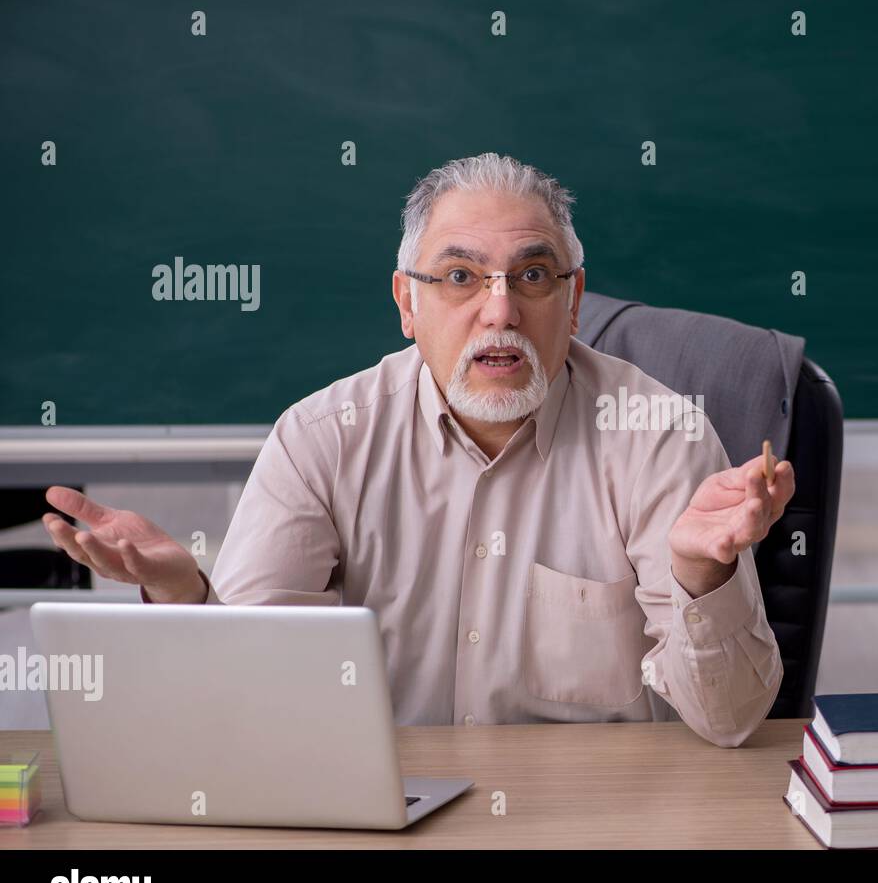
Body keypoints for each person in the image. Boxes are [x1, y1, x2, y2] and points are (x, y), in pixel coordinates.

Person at [43, 152, 795, 748]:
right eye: (461, 277)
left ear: (571, 301)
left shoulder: (660, 435)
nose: (498, 310)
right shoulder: (319, 440)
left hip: (600, 826)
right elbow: (246, 712)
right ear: (408, 302)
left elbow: (727, 721)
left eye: (532, 276)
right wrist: (188, 601)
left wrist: (703, 574)